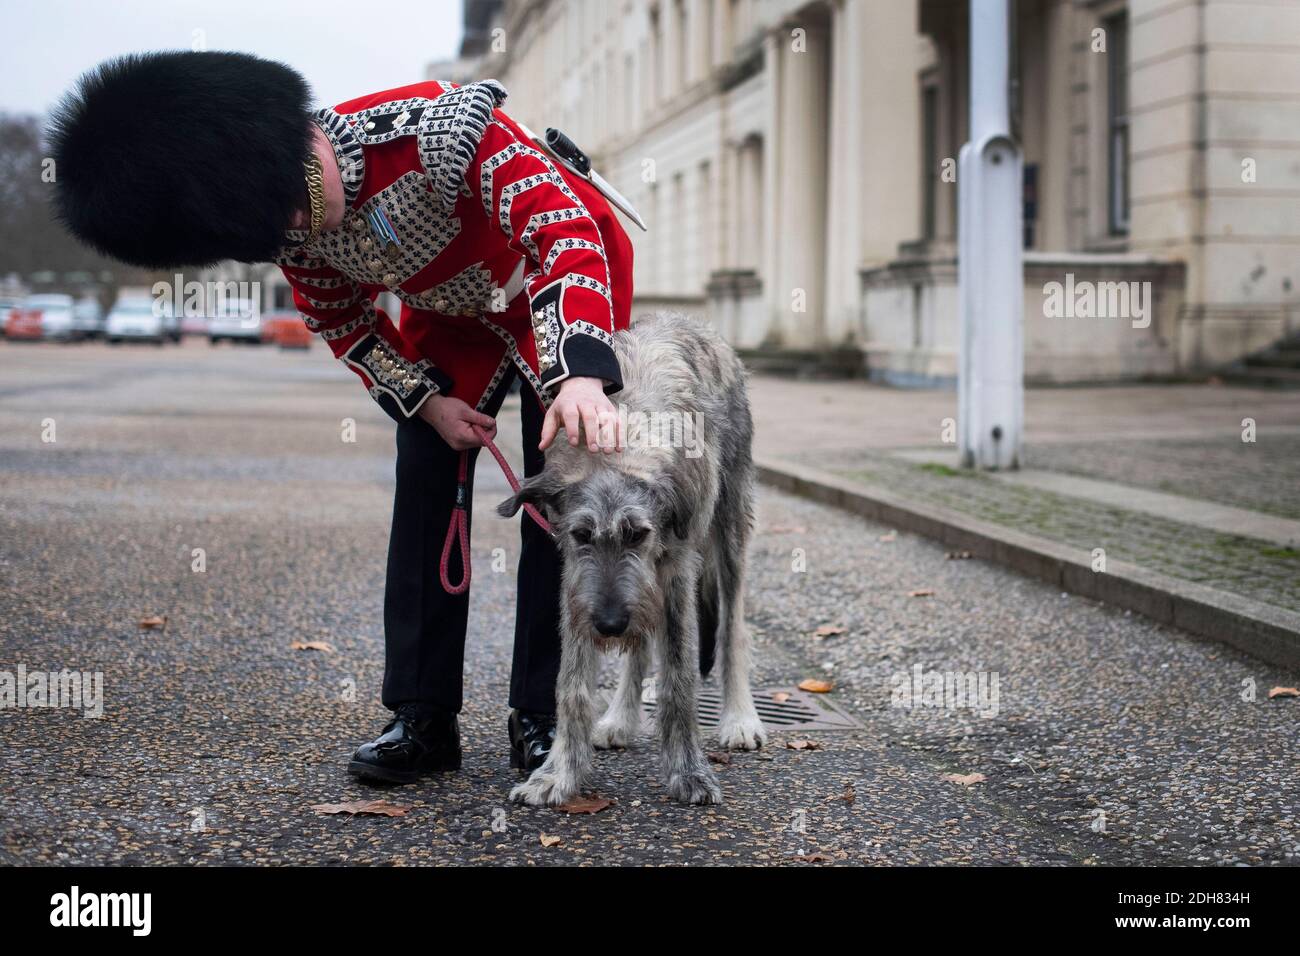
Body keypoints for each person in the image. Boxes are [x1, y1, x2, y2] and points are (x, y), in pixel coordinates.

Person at [49, 50, 635, 781]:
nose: (300, 223)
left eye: (296, 195)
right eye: (277, 224)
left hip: (556, 279)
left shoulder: (440, 129)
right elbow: (343, 321)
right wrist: (426, 401)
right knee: (424, 481)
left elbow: (563, 233)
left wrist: (578, 375)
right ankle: (422, 716)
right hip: (449, 313)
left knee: (563, 490)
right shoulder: (286, 225)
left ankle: (549, 713)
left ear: (300, 135)